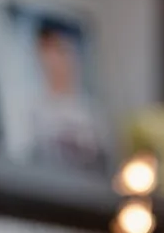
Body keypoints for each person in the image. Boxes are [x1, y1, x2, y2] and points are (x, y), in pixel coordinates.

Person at [26, 16, 110, 174]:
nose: (55, 60)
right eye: (48, 51)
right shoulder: (31, 109)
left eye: (62, 51)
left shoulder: (92, 113)